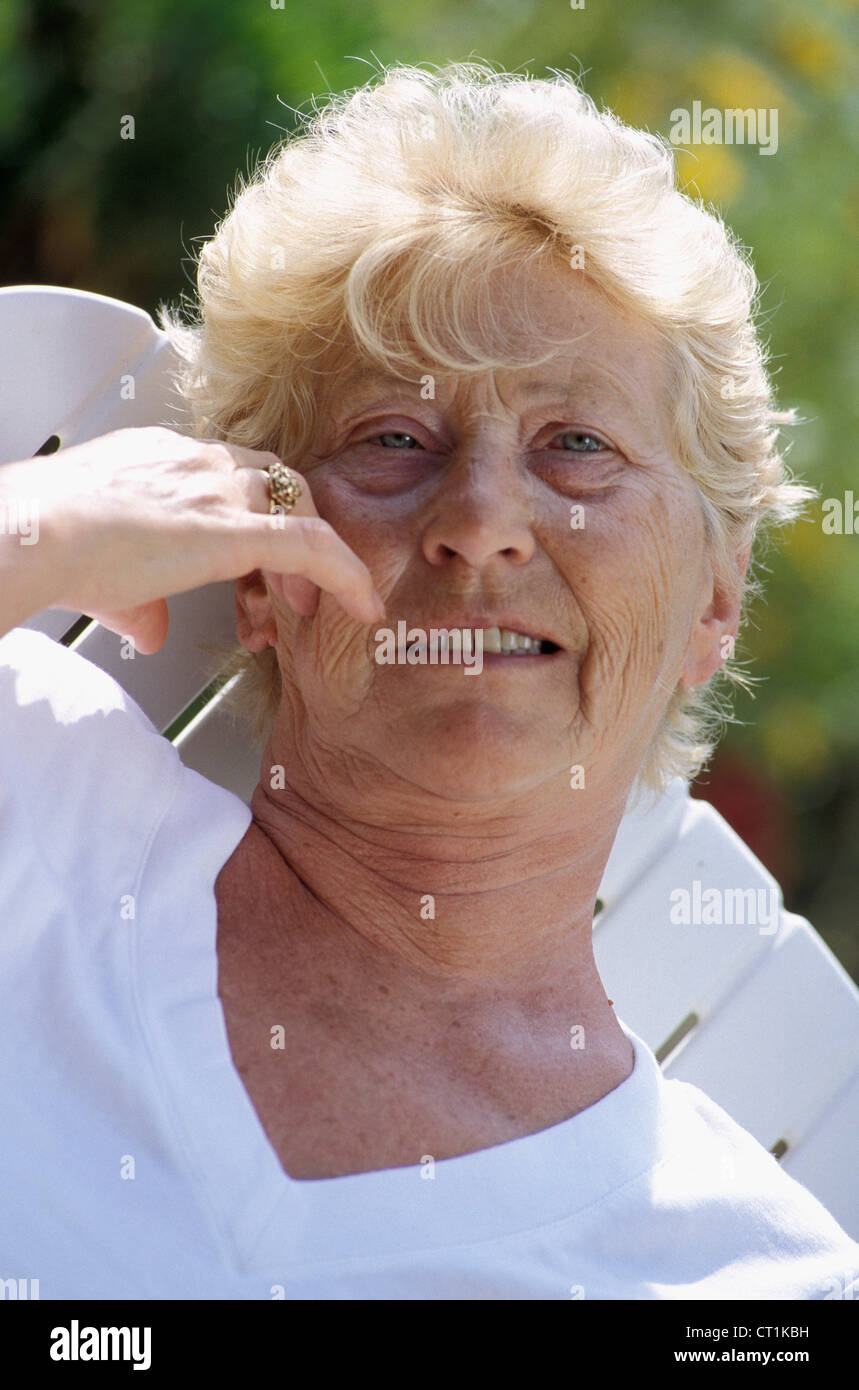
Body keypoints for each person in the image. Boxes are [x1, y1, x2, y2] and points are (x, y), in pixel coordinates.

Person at [1, 60, 856, 1300]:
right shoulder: (35, 799)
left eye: (579, 445)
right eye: (393, 440)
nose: (481, 521)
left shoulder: (750, 1287)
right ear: (252, 566)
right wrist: (31, 527)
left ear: (710, 602)